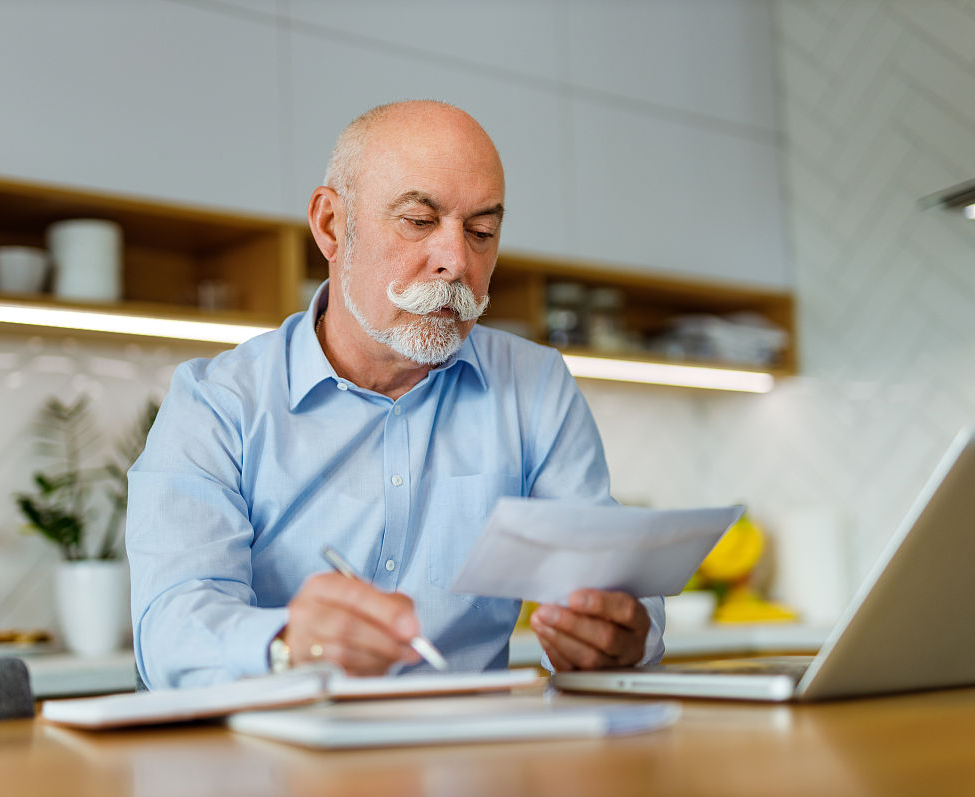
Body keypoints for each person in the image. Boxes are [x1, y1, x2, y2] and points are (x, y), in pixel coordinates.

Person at [127, 100, 664, 689]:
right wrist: (286, 648)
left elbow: (610, 580)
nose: (456, 262)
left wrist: (620, 635)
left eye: (482, 232)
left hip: (472, 766)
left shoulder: (534, 387)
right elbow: (171, 627)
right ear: (332, 225)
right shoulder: (215, 405)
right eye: (418, 220)